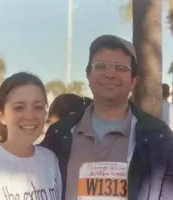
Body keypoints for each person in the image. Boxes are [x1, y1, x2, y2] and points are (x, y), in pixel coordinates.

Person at [41, 35, 173, 200]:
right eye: (101, 66)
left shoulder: (158, 137)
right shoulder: (59, 133)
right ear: (88, 75)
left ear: (134, 80)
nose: (110, 74)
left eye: (120, 67)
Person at [0, 72, 62, 200]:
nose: (30, 116)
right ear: (1, 114)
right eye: (19, 107)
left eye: (38, 107)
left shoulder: (50, 160)